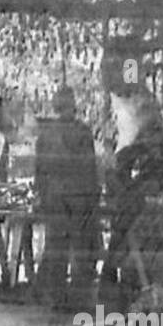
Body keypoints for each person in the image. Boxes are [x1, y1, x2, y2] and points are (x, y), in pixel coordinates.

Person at [33, 87, 100, 308]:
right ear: (73, 105)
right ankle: (80, 299)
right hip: (79, 196)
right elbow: (90, 167)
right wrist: (93, 197)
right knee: (80, 248)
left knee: (56, 248)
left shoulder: (45, 134)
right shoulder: (83, 131)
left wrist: (42, 197)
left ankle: (56, 298)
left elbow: (39, 170)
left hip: (54, 196)